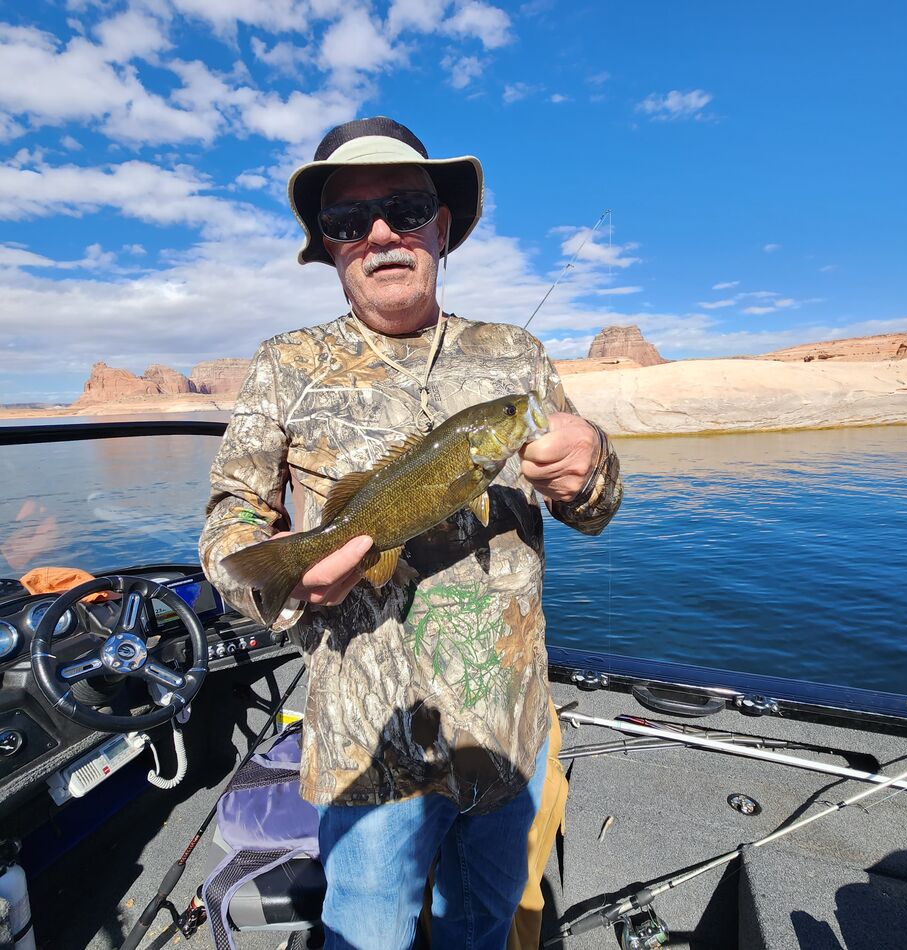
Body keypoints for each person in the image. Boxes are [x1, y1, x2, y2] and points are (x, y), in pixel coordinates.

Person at [199, 116, 622, 949]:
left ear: (442, 225)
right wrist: (281, 586)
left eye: (406, 207)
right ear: (327, 246)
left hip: (506, 735)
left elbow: (594, 511)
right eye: (348, 219)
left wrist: (594, 467)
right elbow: (232, 519)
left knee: (484, 927)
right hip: (368, 746)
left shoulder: (516, 354)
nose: (382, 233)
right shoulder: (284, 363)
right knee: (367, 934)